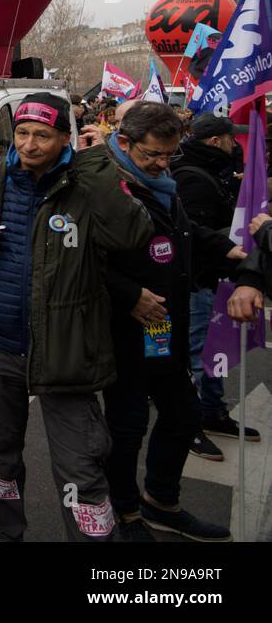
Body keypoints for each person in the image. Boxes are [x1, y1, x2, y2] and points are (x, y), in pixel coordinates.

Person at [0, 92, 154, 541]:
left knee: (81, 468)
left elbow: (133, 234)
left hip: (68, 353)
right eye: (22, 133)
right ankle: (3, 536)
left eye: (42, 135)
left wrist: (95, 167)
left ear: (64, 137)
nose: (30, 145)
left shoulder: (89, 186)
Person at [101, 102, 243, 541]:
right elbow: (77, 257)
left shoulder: (162, 182)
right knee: (126, 429)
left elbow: (181, 232)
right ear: (124, 143)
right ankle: (122, 512)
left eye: (170, 154)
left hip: (165, 327)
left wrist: (226, 249)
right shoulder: (103, 184)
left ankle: (161, 500)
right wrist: (129, 296)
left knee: (184, 414)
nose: (164, 163)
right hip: (124, 329)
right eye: (154, 155)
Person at [172, 112, 260, 459]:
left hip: (212, 277)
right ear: (215, 142)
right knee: (196, 353)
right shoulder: (192, 177)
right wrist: (225, 243)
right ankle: (190, 425)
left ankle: (213, 412)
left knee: (213, 349)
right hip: (197, 280)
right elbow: (189, 230)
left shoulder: (210, 171)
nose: (234, 143)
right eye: (229, 138)